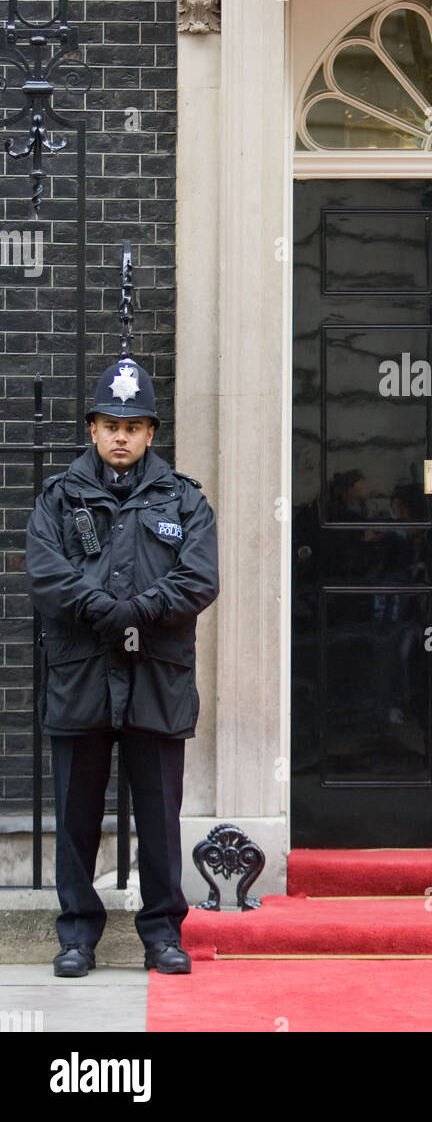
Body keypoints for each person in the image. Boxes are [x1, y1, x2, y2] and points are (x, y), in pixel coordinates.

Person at [25, 356, 219, 977]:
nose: (120, 436)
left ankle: (162, 934)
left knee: (159, 817)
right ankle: (78, 935)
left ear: (150, 433)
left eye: (132, 426)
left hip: (155, 677)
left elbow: (198, 579)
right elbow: (46, 575)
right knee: (76, 815)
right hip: (80, 675)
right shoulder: (59, 498)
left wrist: (137, 610)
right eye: (109, 423)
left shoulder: (183, 499)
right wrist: (101, 608)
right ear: (91, 428)